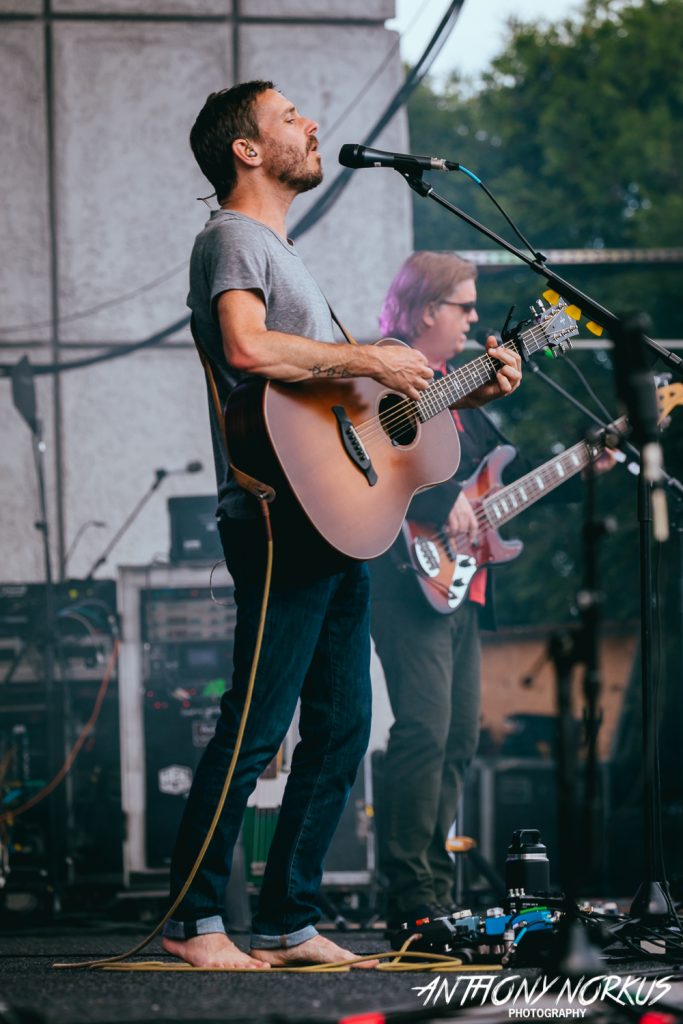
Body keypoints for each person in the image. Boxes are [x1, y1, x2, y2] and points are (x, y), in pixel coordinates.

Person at [162, 83, 522, 970]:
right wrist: (366, 355)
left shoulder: (282, 252)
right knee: (258, 721)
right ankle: (193, 921)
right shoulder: (233, 238)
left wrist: (468, 384)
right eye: (289, 117)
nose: (312, 124)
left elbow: (358, 415)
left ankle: (287, 920)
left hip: (336, 523)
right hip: (279, 517)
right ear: (247, 150)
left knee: (341, 725)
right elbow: (247, 347)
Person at [369, 251, 532, 932]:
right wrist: (443, 500)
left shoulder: (461, 392)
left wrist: (587, 463)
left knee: (459, 737)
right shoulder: (387, 370)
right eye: (464, 306)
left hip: (463, 585)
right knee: (424, 731)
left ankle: (434, 893)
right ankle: (410, 895)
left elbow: (495, 484)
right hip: (407, 577)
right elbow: (382, 459)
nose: (473, 318)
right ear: (427, 308)